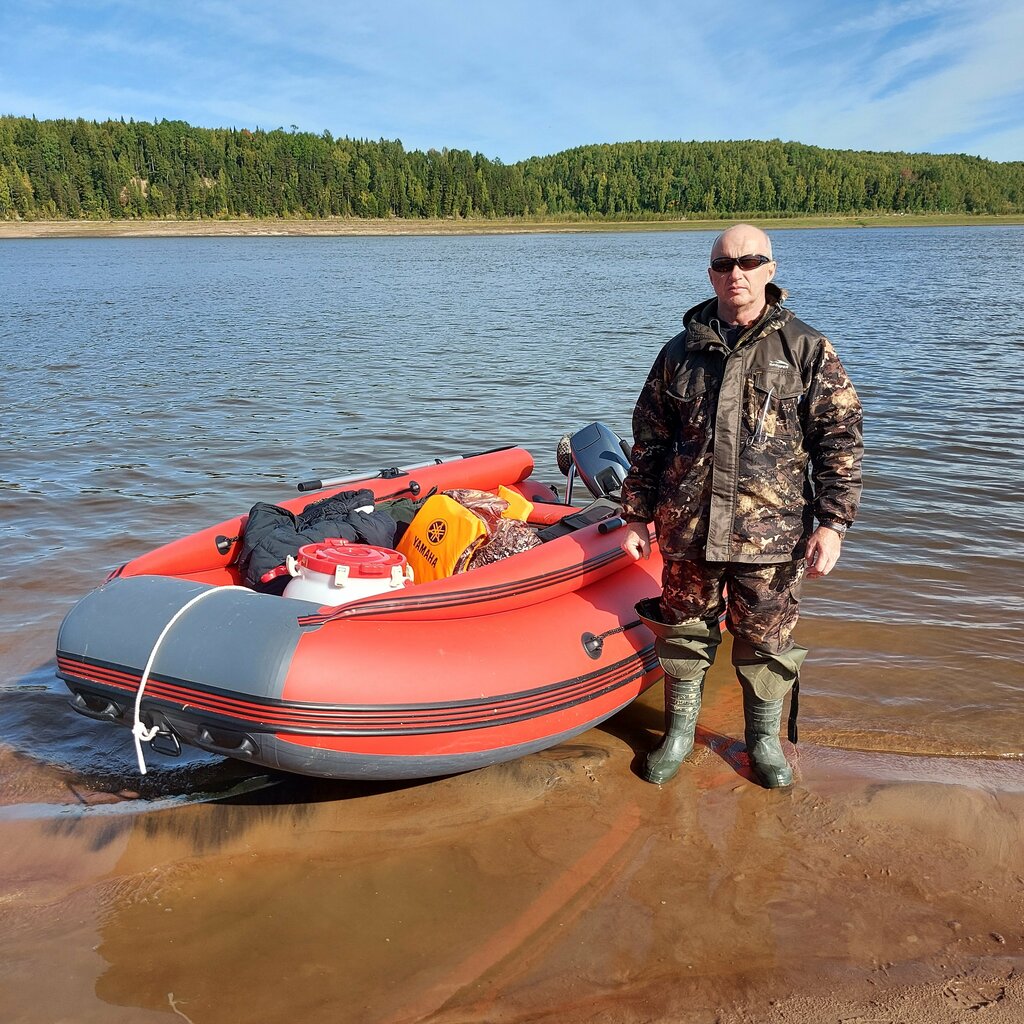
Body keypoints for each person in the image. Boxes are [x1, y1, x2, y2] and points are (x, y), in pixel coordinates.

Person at [620, 224, 863, 789]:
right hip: (688, 532)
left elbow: (840, 441)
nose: (737, 274)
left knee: (767, 642)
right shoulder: (678, 352)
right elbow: (650, 438)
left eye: (749, 262)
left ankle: (762, 742)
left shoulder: (806, 348)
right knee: (684, 632)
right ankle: (678, 734)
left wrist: (832, 524)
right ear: (710, 272)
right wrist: (635, 513)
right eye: (725, 264)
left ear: (770, 271)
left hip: (770, 536)